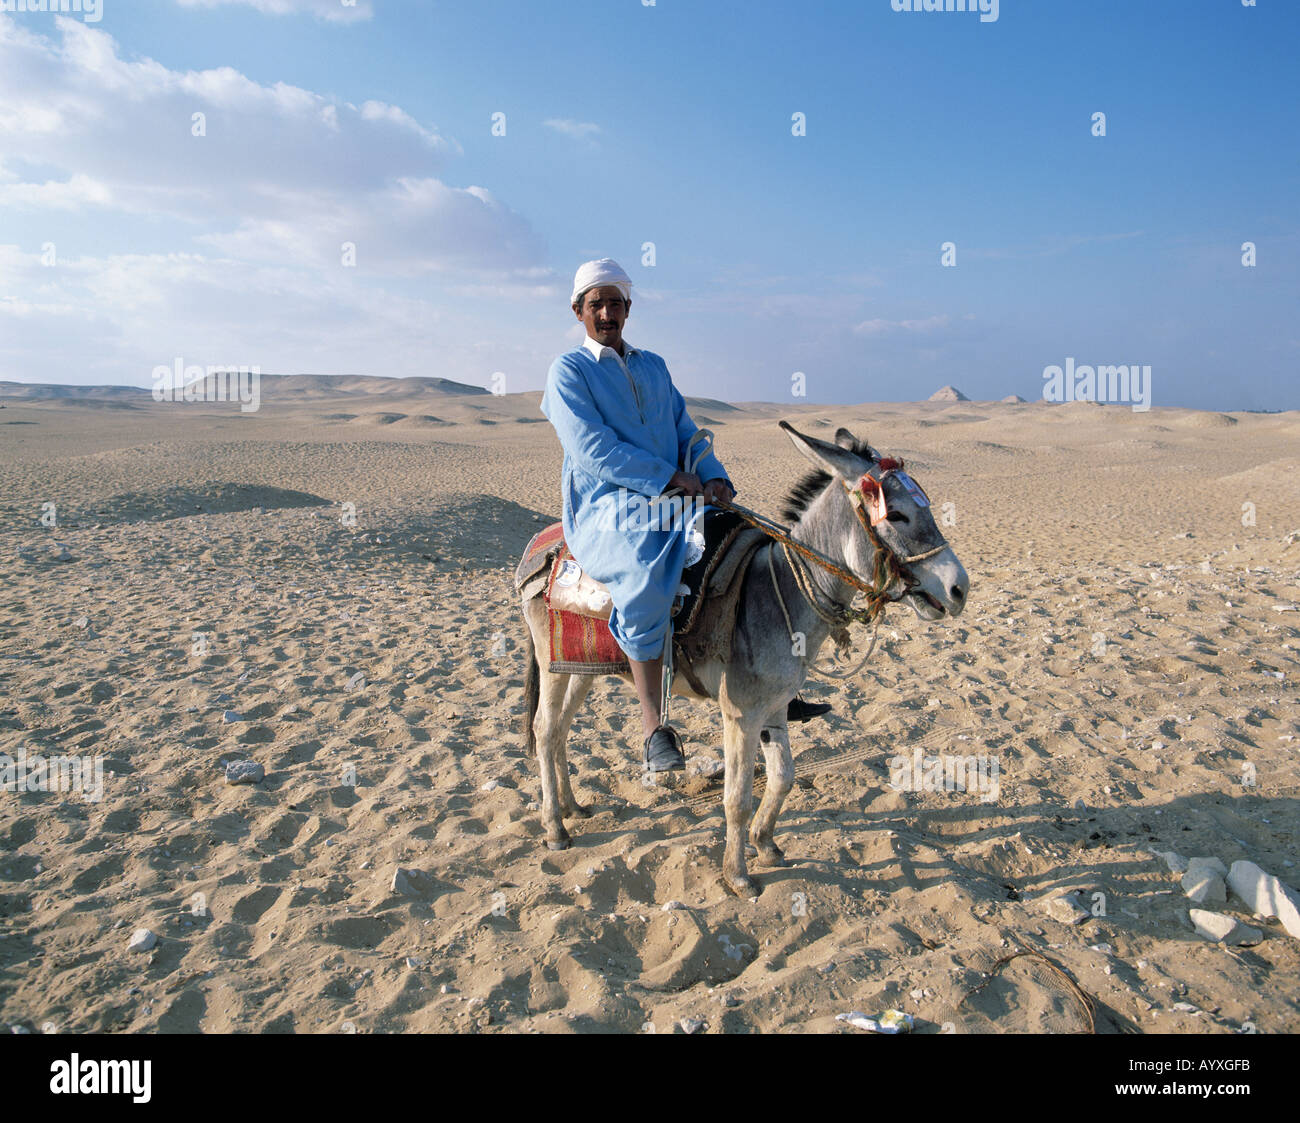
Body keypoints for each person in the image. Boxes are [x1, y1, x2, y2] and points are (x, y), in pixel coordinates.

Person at [541, 259, 828, 773]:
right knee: (646, 566)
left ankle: (768, 687)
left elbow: (684, 430)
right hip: (609, 505)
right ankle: (654, 727)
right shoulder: (570, 371)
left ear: (629, 308)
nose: (607, 312)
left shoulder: (653, 366)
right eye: (596, 304)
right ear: (578, 311)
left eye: (616, 303)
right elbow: (592, 449)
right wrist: (667, 477)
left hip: (675, 493)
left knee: (751, 544)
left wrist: (713, 475)